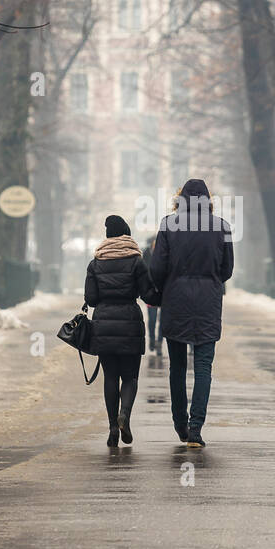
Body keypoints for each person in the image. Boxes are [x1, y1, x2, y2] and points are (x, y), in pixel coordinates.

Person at [148, 178, 234, 447]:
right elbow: (227, 269)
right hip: (208, 303)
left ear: (180, 199)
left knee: (177, 366)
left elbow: (157, 268)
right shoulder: (222, 227)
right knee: (203, 367)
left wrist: (166, 287)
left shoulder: (168, 225)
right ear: (208, 200)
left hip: (176, 301)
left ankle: (180, 423)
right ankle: (196, 428)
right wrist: (210, 280)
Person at [85, 215, 156, 447]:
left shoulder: (96, 262)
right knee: (130, 377)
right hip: (129, 323)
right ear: (127, 235)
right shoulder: (136, 261)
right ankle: (124, 414)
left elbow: (91, 299)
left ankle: (113, 429)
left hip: (103, 323)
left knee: (110, 377)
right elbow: (147, 294)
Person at [142, 235, 164, 357]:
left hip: (164, 293)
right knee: (152, 319)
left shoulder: (165, 253)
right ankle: (151, 339)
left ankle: (159, 343)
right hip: (151, 293)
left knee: (162, 320)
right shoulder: (146, 254)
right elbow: (143, 272)